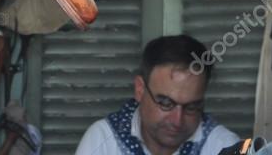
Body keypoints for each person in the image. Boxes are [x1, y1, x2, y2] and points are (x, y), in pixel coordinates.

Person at [75, 34, 239, 155]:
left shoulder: (224, 147)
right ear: (140, 90)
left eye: (191, 107)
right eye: (166, 103)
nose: (177, 121)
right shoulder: (101, 141)